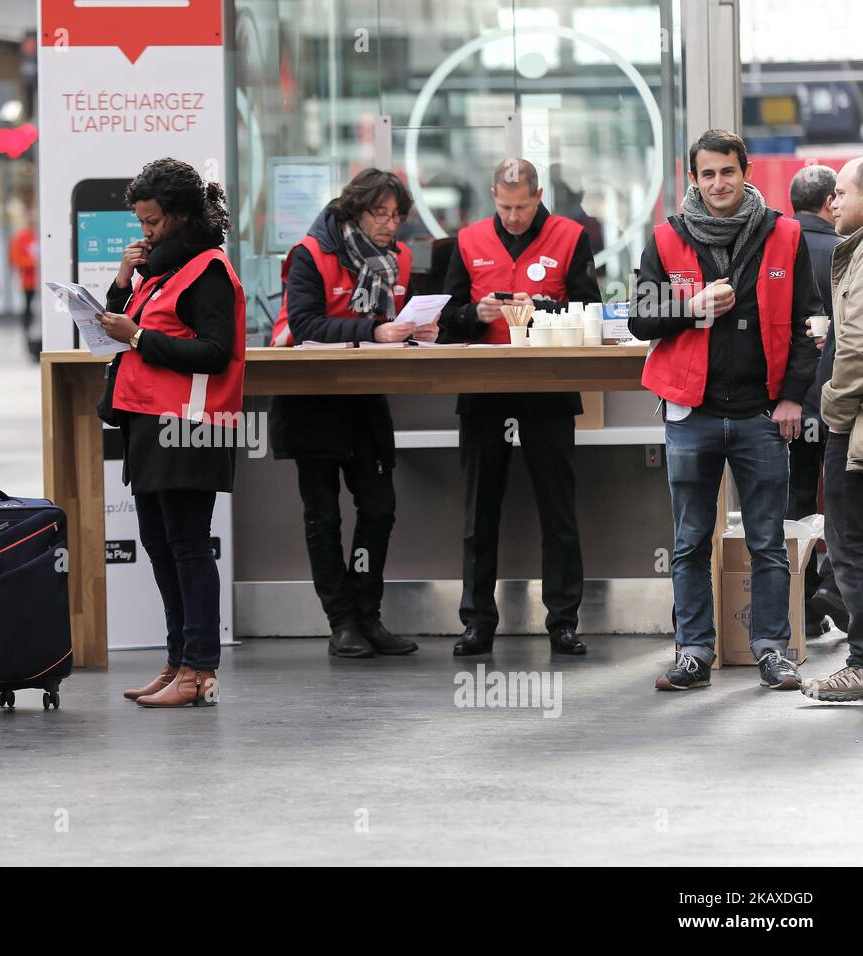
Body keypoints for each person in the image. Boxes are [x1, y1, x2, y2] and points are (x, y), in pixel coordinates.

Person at [629, 129, 821, 691]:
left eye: (727, 172)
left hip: (762, 413)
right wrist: (690, 306)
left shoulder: (784, 235)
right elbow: (640, 317)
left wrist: (790, 396)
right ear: (694, 178)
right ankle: (694, 651)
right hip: (692, 412)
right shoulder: (666, 239)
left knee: (767, 540)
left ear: (746, 172)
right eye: (707, 173)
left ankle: (771, 650)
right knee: (690, 539)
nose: (718, 183)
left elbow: (811, 325)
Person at [95, 157, 245, 708]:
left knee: (186, 545)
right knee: (161, 544)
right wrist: (120, 283)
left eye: (152, 221)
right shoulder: (159, 270)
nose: (145, 231)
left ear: (181, 215)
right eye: (140, 222)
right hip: (148, 421)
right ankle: (178, 659)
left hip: (189, 426)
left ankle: (199, 669)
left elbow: (214, 351)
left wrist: (137, 338)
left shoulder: (208, 269)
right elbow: (120, 332)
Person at [438, 158, 599, 658]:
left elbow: (590, 310)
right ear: (493, 196)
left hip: (548, 390)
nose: (512, 216)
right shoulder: (466, 242)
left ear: (539, 195)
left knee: (558, 511)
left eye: (522, 207)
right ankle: (476, 622)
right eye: (504, 206)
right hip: (484, 390)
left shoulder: (571, 236)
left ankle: (564, 622)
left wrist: (543, 309)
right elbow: (445, 320)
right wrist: (474, 312)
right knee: (478, 513)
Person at [267, 168, 427, 658]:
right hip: (311, 399)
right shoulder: (310, 253)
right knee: (323, 518)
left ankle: (367, 613)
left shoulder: (399, 257)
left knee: (379, 509)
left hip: (366, 397)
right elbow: (304, 323)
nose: (389, 224)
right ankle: (342, 622)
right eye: (380, 213)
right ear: (354, 209)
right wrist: (374, 331)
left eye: (397, 215)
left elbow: (392, 322)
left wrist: (415, 332)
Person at [802, 156, 863, 701]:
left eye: (843, 192)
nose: (835, 202)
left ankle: (861, 665)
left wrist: (833, 411)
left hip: (854, 427)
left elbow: (858, 349)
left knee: (848, 542)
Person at [788, 165, 850, 635]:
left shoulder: (777, 250)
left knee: (792, 503)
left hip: (786, 402)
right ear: (830, 201)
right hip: (835, 402)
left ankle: (796, 605)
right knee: (838, 503)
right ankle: (830, 595)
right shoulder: (845, 252)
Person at [9, 211, 39, 347]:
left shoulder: (39, 235)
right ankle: (27, 334)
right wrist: (34, 263)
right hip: (28, 280)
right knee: (28, 307)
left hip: (39, 280)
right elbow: (16, 259)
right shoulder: (21, 237)